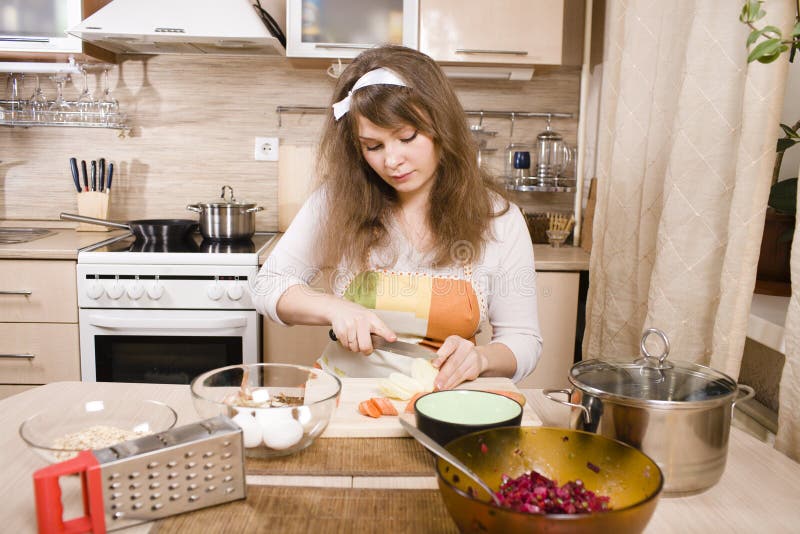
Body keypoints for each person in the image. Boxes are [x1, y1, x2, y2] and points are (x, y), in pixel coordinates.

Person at [252, 45, 541, 389]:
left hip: (444, 404)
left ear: (441, 125)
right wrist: (333, 307)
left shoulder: (497, 219)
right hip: (346, 398)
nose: (392, 160)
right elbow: (267, 285)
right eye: (373, 146)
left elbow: (523, 340)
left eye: (406, 137)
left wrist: (481, 358)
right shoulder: (335, 202)